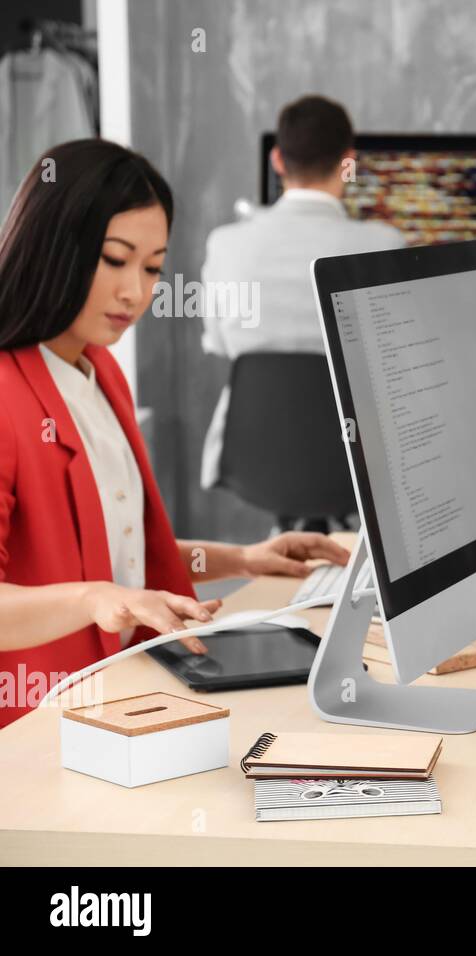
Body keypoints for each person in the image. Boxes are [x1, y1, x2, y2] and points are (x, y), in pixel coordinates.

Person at [0, 139, 349, 728]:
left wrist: (246, 558)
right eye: (115, 259)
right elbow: (103, 591)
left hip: (123, 693)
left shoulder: (100, 368)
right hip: (38, 725)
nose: (136, 292)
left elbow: (123, 560)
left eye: (154, 267)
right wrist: (94, 600)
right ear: (53, 244)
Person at [198, 94, 404, 492]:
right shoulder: (387, 243)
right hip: (360, 459)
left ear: (277, 160)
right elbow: (391, 356)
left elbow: (221, 344)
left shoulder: (225, 243)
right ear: (348, 164)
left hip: (252, 451)